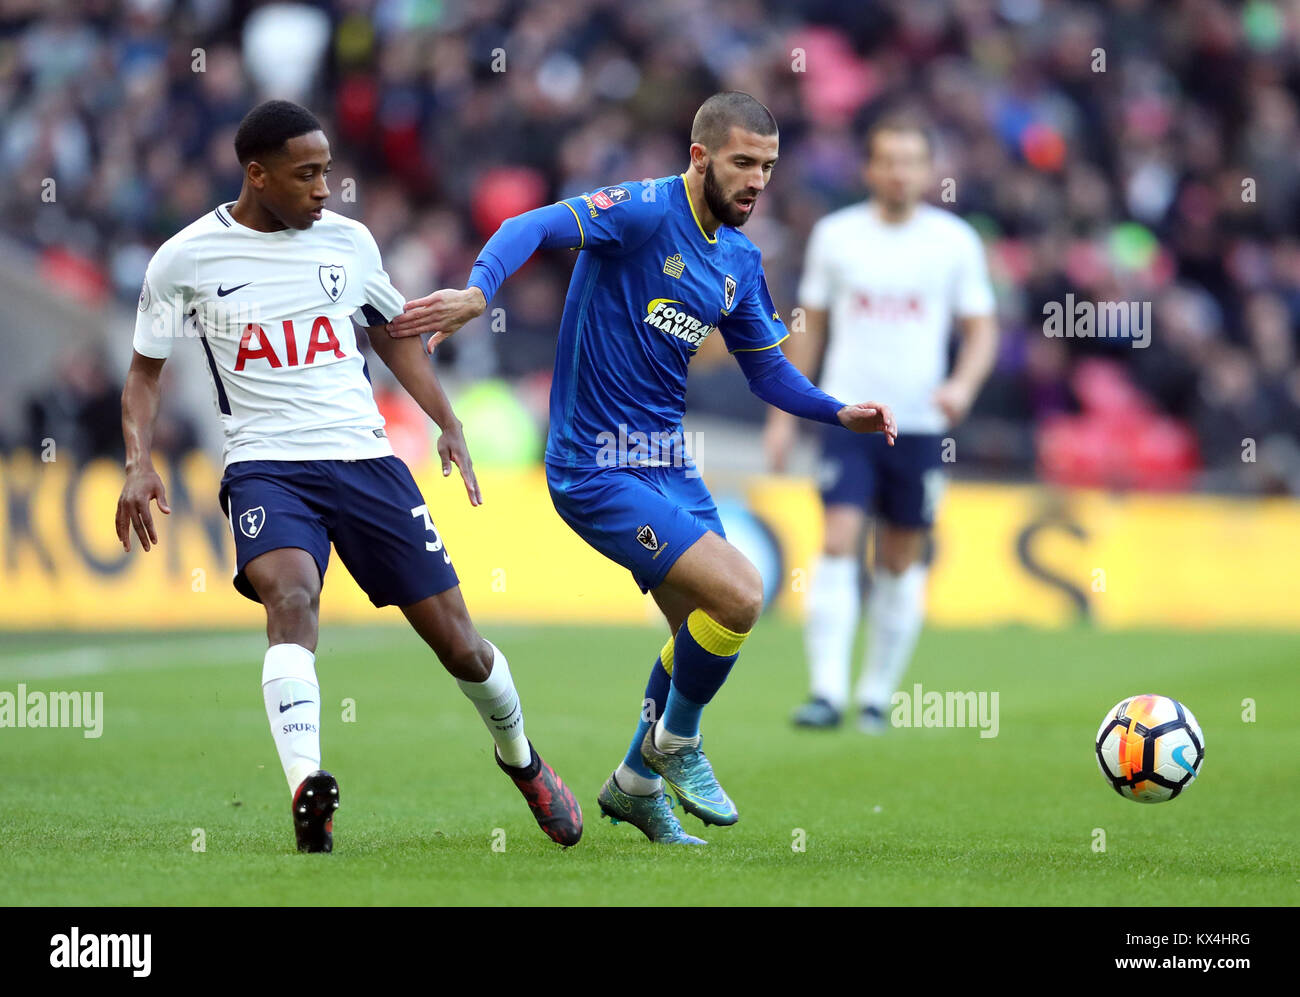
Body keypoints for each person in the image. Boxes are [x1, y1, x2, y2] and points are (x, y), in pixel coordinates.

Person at [386, 92, 897, 844]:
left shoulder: (741, 261)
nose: (758, 180)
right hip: (595, 466)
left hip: (666, 462)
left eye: (768, 166)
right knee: (744, 593)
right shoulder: (639, 211)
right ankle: (677, 743)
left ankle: (632, 782)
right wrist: (477, 291)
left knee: (704, 626)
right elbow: (531, 223)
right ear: (700, 157)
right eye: (743, 163)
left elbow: (768, 373)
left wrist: (834, 409)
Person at [114, 99, 581, 853]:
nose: (324, 188)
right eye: (306, 175)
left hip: (365, 461)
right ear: (256, 175)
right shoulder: (186, 258)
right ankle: (307, 787)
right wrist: (138, 461)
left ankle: (522, 760)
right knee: (291, 597)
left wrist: (448, 420)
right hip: (266, 465)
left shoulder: (349, 242)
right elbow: (143, 373)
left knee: (461, 646)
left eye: (327, 170)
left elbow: (393, 337)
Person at [765, 116, 998, 732]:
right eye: (888, 160)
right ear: (869, 169)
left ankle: (874, 695)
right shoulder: (837, 236)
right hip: (851, 416)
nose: (899, 172)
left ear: (928, 171)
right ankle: (825, 692)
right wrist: (786, 412)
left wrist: (962, 387)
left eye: (911, 160)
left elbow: (981, 330)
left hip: (920, 423)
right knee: (838, 539)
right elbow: (809, 329)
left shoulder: (954, 242)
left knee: (899, 557)